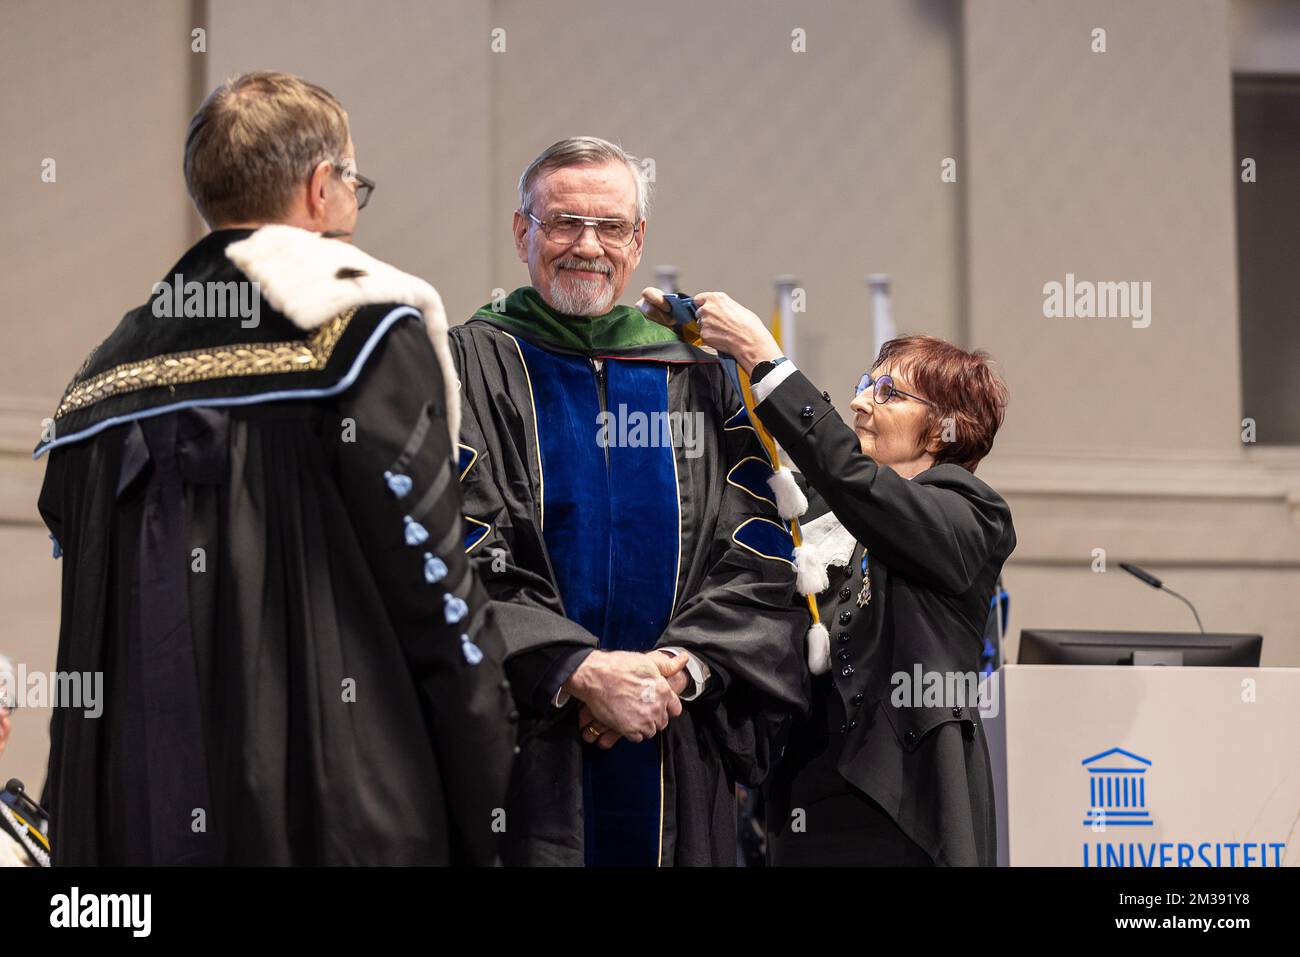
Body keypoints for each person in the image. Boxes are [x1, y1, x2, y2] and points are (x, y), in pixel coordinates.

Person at [34, 72, 514, 865]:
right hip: (330, 814)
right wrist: (488, 788)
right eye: (354, 184)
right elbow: (436, 594)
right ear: (321, 187)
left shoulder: (99, 377)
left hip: (126, 830)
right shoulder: (358, 330)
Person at [450, 137, 809, 866]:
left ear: (637, 241)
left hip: (672, 737)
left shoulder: (698, 377)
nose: (588, 246)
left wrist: (673, 670)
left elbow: (758, 554)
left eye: (610, 227)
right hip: (527, 741)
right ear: (522, 232)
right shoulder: (466, 365)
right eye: (564, 223)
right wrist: (577, 671)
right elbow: (458, 542)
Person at [642, 288, 1015, 866]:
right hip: (800, 802)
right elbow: (748, 477)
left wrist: (765, 357)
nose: (861, 402)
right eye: (865, 383)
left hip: (905, 811)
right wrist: (685, 354)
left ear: (945, 428)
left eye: (888, 392)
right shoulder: (817, 509)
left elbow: (851, 475)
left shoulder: (972, 514)